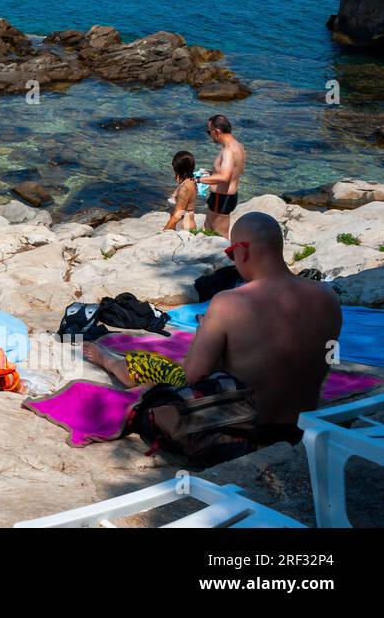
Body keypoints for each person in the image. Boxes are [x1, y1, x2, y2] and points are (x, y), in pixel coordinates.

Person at [84, 211, 340, 448]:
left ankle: (109, 361)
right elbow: (323, 357)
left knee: (152, 364)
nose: (233, 260)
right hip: (299, 425)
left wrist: (204, 333)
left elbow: (192, 376)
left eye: (230, 254)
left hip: (243, 426)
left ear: (243, 250)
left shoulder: (230, 303)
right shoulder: (327, 298)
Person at [199, 114, 246, 239]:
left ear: (217, 132)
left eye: (209, 132)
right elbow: (237, 171)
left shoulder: (228, 151)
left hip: (222, 198)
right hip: (225, 197)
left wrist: (198, 179)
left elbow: (225, 177)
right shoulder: (238, 146)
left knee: (220, 236)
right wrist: (211, 173)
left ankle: (226, 258)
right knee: (208, 228)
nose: (209, 136)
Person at [163, 150, 199, 232]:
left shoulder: (184, 188)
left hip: (184, 229)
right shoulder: (191, 181)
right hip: (185, 226)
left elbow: (178, 215)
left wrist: (164, 231)